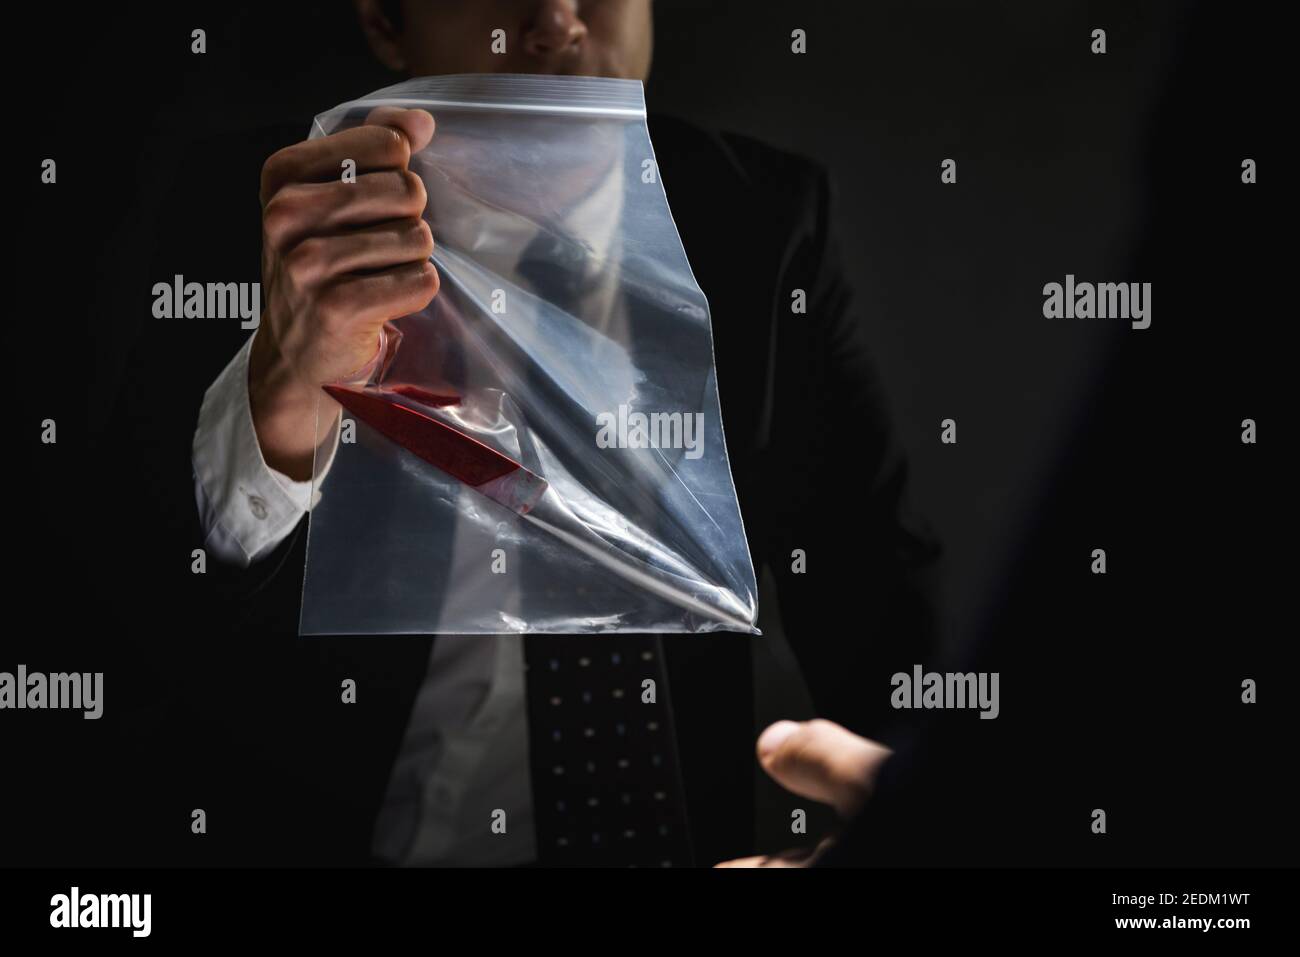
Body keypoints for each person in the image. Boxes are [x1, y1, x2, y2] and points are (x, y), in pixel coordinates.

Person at [107, 0, 939, 866]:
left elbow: (876, 579)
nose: (552, 18)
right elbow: (122, 610)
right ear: (388, 24)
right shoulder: (273, 209)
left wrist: (916, 817)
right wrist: (278, 398)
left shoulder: (765, 218)